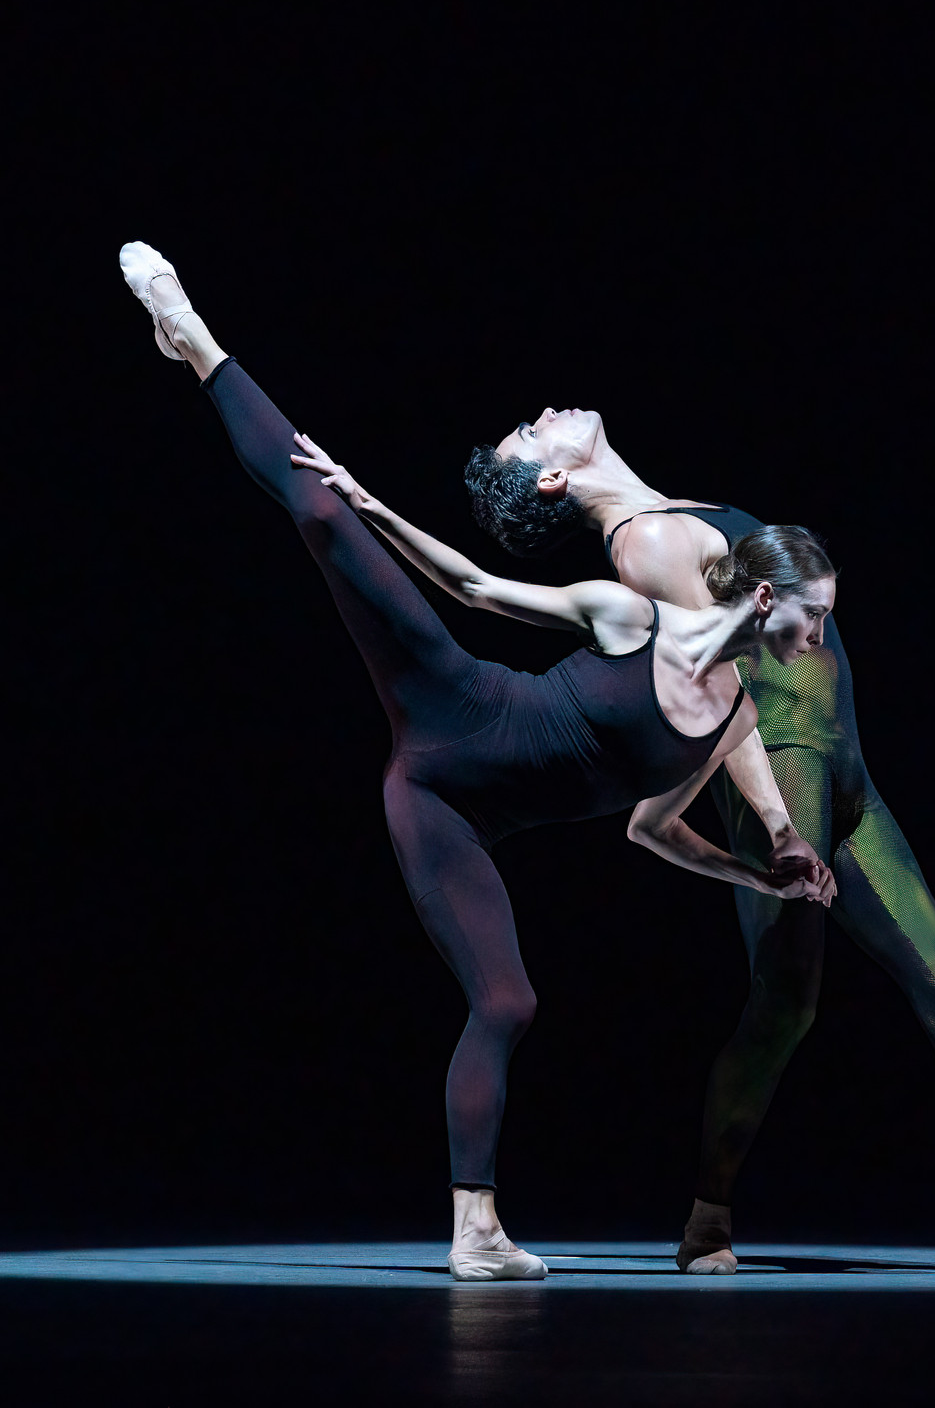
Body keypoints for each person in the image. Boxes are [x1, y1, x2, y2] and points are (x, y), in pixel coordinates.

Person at [118, 242, 836, 1283]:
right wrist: (371, 503)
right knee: (319, 512)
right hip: (451, 703)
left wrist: (763, 866)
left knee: (507, 1001)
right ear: (768, 602)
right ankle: (195, 340)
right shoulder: (632, 613)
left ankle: (475, 1231)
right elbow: (475, 589)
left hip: (443, 808)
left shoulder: (732, 717)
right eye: (817, 619)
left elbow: (650, 831)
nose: (821, 641)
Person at [463, 409, 935, 1279]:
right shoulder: (642, 543)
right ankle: (709, 1215)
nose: (542, 416)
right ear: (552, 478)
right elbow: (720, 687)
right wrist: (778, 825)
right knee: (787, 1003)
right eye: (528, 434)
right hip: (787, 766)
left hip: (844, 764)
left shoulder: (671, 509)